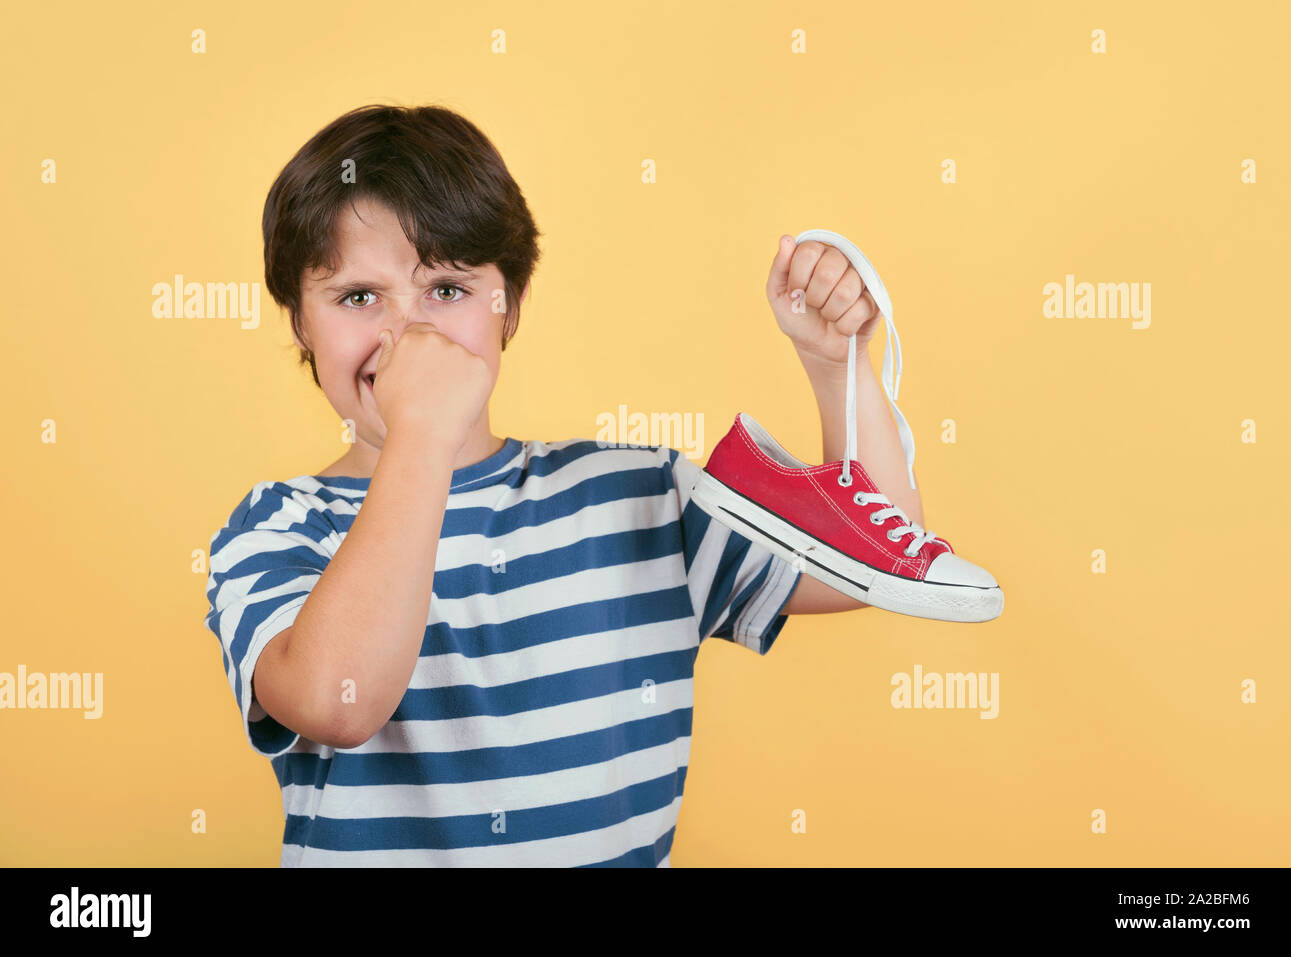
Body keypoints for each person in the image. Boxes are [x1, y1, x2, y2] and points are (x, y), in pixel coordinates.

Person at [203, 102, 914, 866]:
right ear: (300, 323)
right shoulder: (276, 527)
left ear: (509, 305)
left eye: (446, 289)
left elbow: (877, 560)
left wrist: (839, 368)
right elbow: (334, 701)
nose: (407, 335)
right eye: (356, 296)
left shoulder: (640, 498)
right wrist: (423, 435)